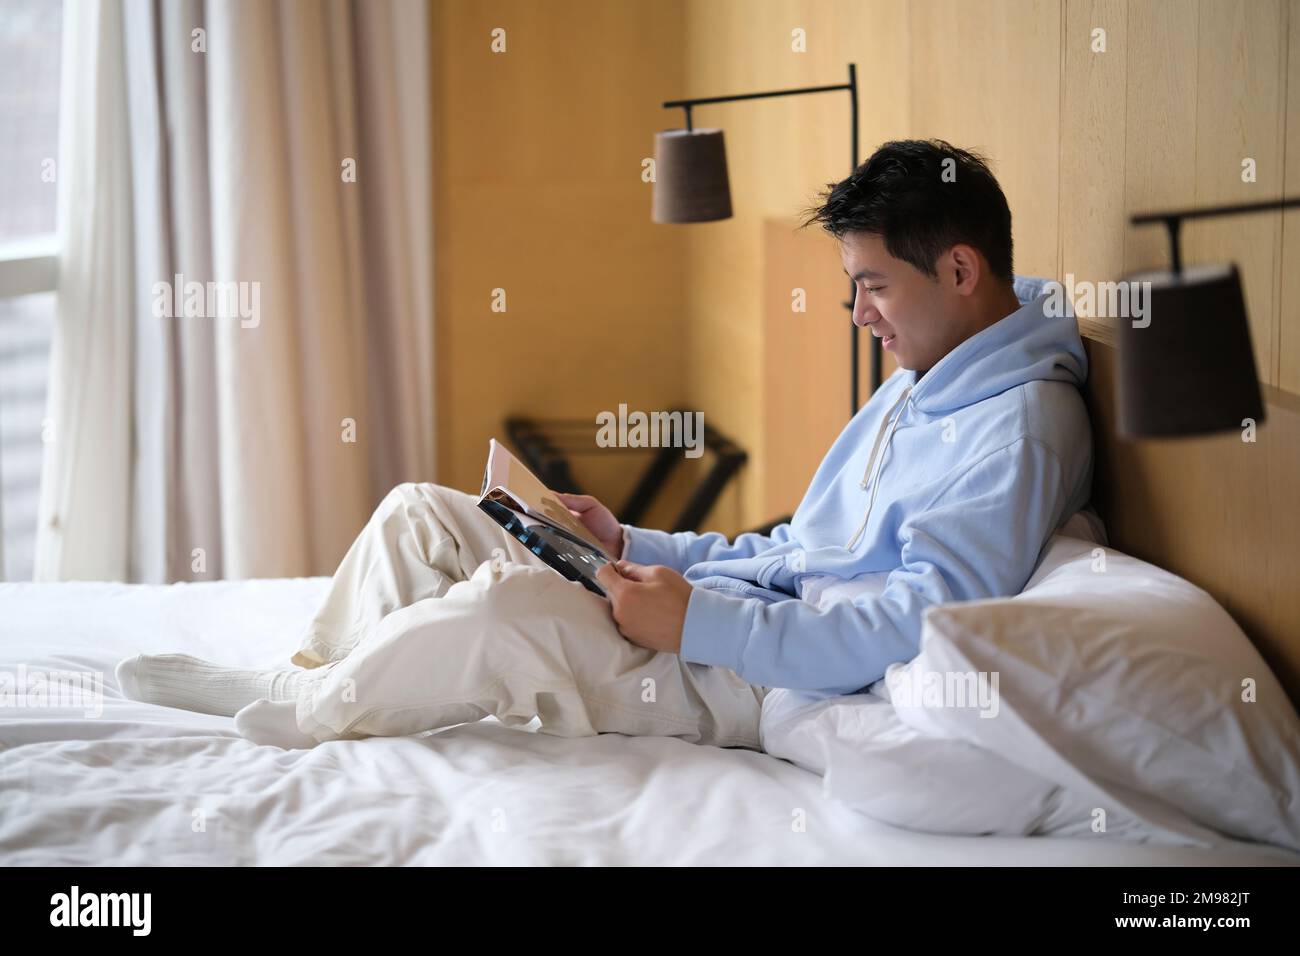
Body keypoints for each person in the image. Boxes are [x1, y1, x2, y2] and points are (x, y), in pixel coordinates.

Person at [117, 138, 1091, 750]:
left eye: (872, 285)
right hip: (728, 610)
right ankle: (307, 665)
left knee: (504, 605)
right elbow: (797, 547)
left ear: (959, 268)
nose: (856, 313)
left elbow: (913, 627)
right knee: (424, 513)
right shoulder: (923, 381)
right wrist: (636, 545)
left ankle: (313, 709)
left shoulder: (1018, 430)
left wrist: (695, 624)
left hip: (760, 672)